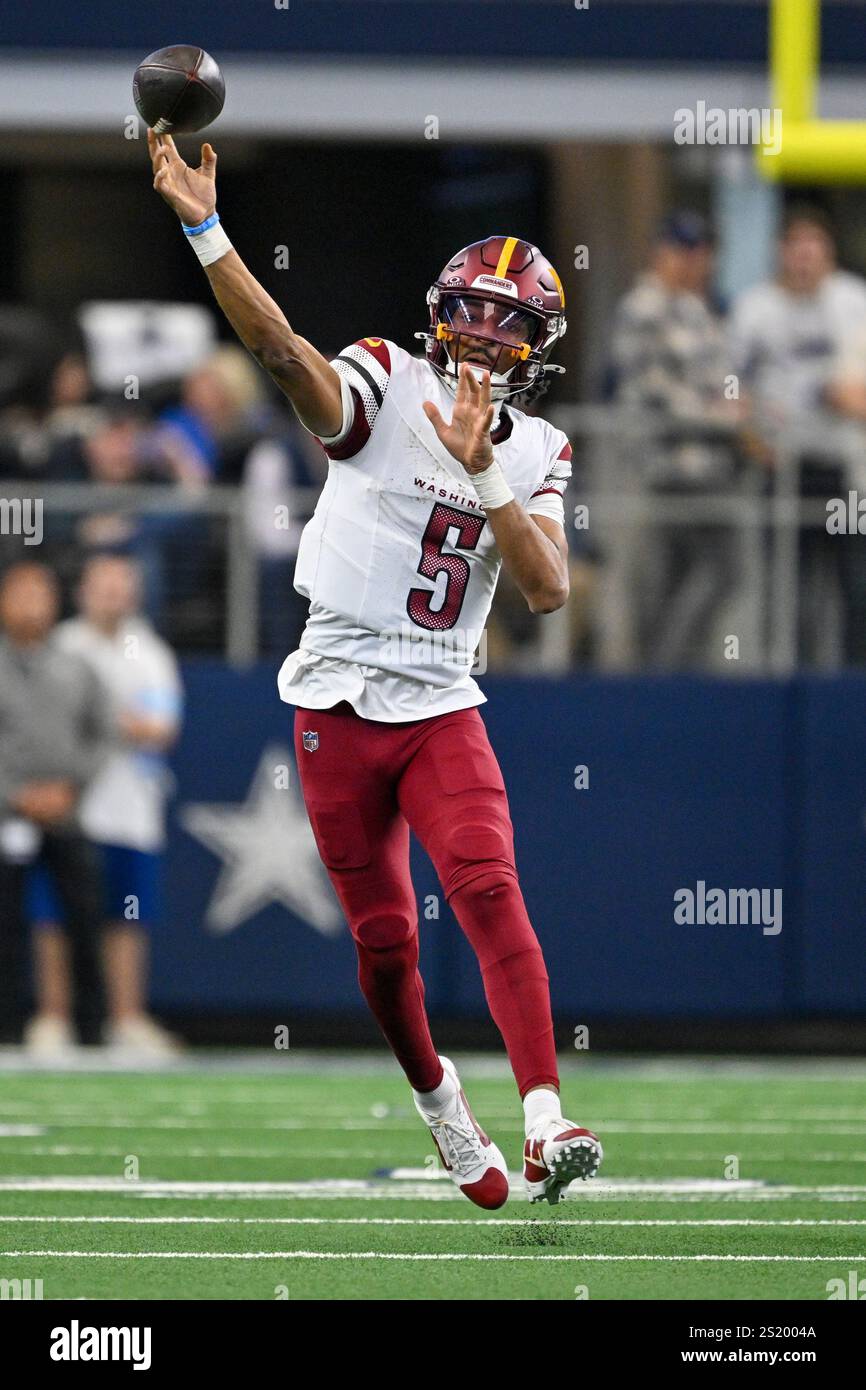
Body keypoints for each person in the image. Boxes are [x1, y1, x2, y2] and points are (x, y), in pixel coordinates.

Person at [147, 129, 602, 1207]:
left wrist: (482, 462)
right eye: (475, 320)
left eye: (511, 327)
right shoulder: (386, 379)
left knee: (488, 886)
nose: (486, 343)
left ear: (537, 347)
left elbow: (544, 589)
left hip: (442, 697)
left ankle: (544, 1117)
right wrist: (205, 228)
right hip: (336, 696)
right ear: (440, 320)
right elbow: (279, 352)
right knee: (388, 941)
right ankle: (441, 1106)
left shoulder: (538, 448)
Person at [26, 554, 184, 1057]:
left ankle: (126, 1018)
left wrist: (99, 717)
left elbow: (160, 730)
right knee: (54, 915)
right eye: (104, 586)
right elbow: (46, 724)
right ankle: (53, 1017)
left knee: (127, 917)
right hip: (71, 803)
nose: (113, 595)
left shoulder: (151, 653)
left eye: (122, 585)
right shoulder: (62, 645)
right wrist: (116, 720)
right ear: (84, 590)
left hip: (131, 808)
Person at [730, 205, 866, 664]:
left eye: (815, 249)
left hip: (846, 469)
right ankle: (787, 679)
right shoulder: (756, 309)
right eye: (797, 249)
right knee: (788, 589)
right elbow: (732, 390)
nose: (805, 260)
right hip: (783, 466)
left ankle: (852, 687)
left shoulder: (854, 302)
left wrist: (850, 399)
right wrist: (752, 437)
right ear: (782, 253)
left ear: (829, 255)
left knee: (855, 585)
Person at [609, 212, 741, 667]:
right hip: (662, 469)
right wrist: (729, 420)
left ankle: (679, 669)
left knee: (718, 573)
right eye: (682, 250)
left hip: (709, 469)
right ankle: (663, 675)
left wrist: (744, 410)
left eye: (700, 252)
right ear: (661, 252)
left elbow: (720, 380)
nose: (692, 261)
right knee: (662, 585)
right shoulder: (642, 307)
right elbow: (656, 394)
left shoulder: (696, 308)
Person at [0, 563, 111, 1048]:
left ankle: (93, 1030)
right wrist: (14, 794)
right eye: (20, 594)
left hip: (67, 811)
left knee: (85, 916)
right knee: (4, 922)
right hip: (6, 815)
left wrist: (71, 787)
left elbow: (103, 733)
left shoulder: (76, 666)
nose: (30, 604)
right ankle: (7, 1027)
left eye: (39, 593)